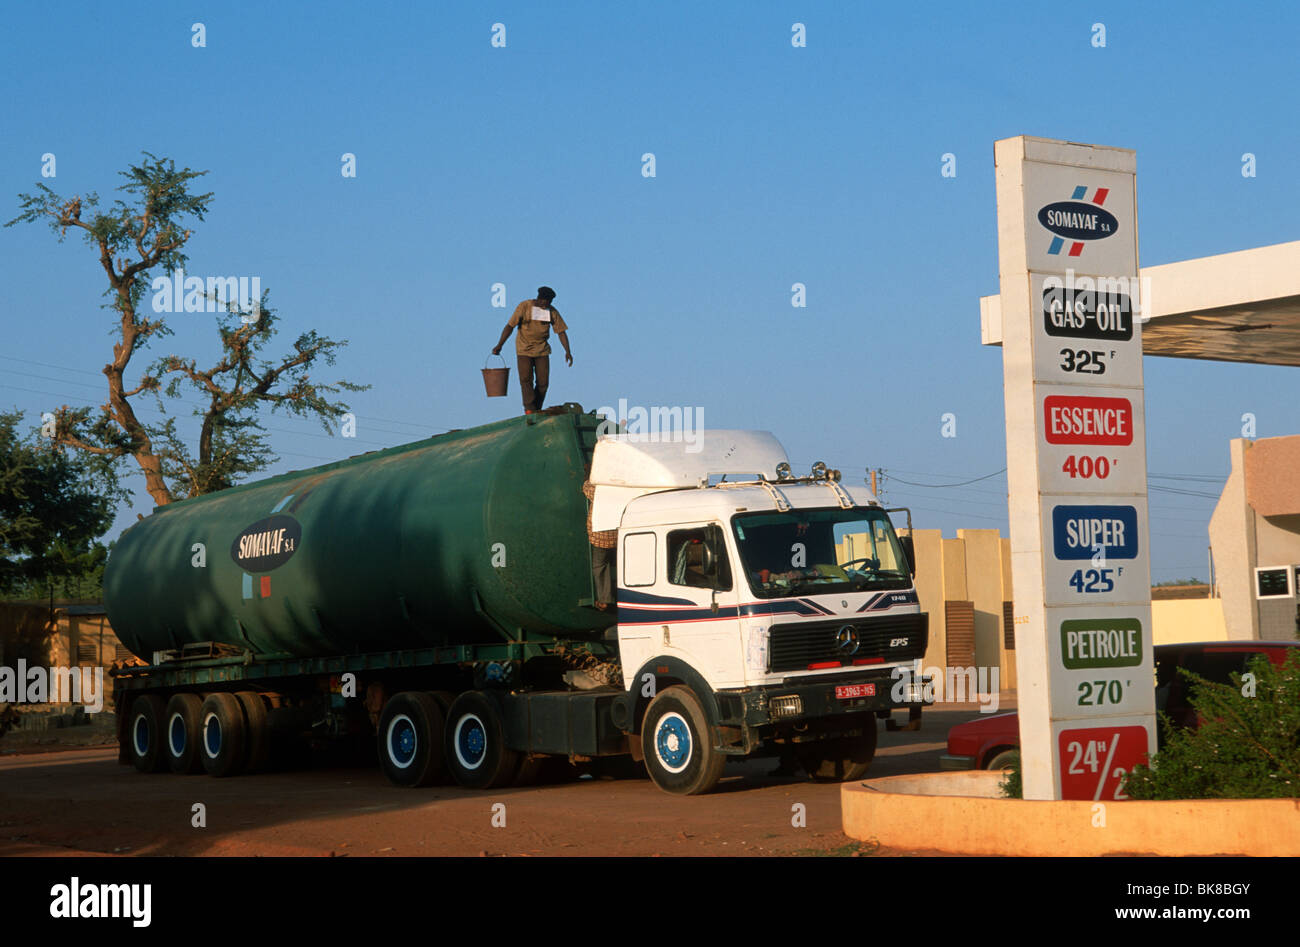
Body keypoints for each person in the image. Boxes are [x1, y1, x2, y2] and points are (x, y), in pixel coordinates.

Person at [492, 286, 572, 414]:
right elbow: (510, 326)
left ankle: (537, 408)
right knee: (525, 379)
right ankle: (529, 408)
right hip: (524, 349)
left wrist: (568, 351)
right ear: (539, 299)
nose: (546, 305)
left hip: (542, 350)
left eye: (549, 303)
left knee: (543, 383)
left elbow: (561, 332)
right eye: (545, 302)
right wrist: (500, 344)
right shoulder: (524, 307)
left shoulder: (552, 311)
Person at [582, 476, 617, 611]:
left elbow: (586, 488)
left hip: (600, 537)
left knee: (599, 566)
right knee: (611, 564)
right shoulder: (616, 489)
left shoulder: (598, 491)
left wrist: (588, 477)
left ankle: (604, 599)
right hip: (616, 536)